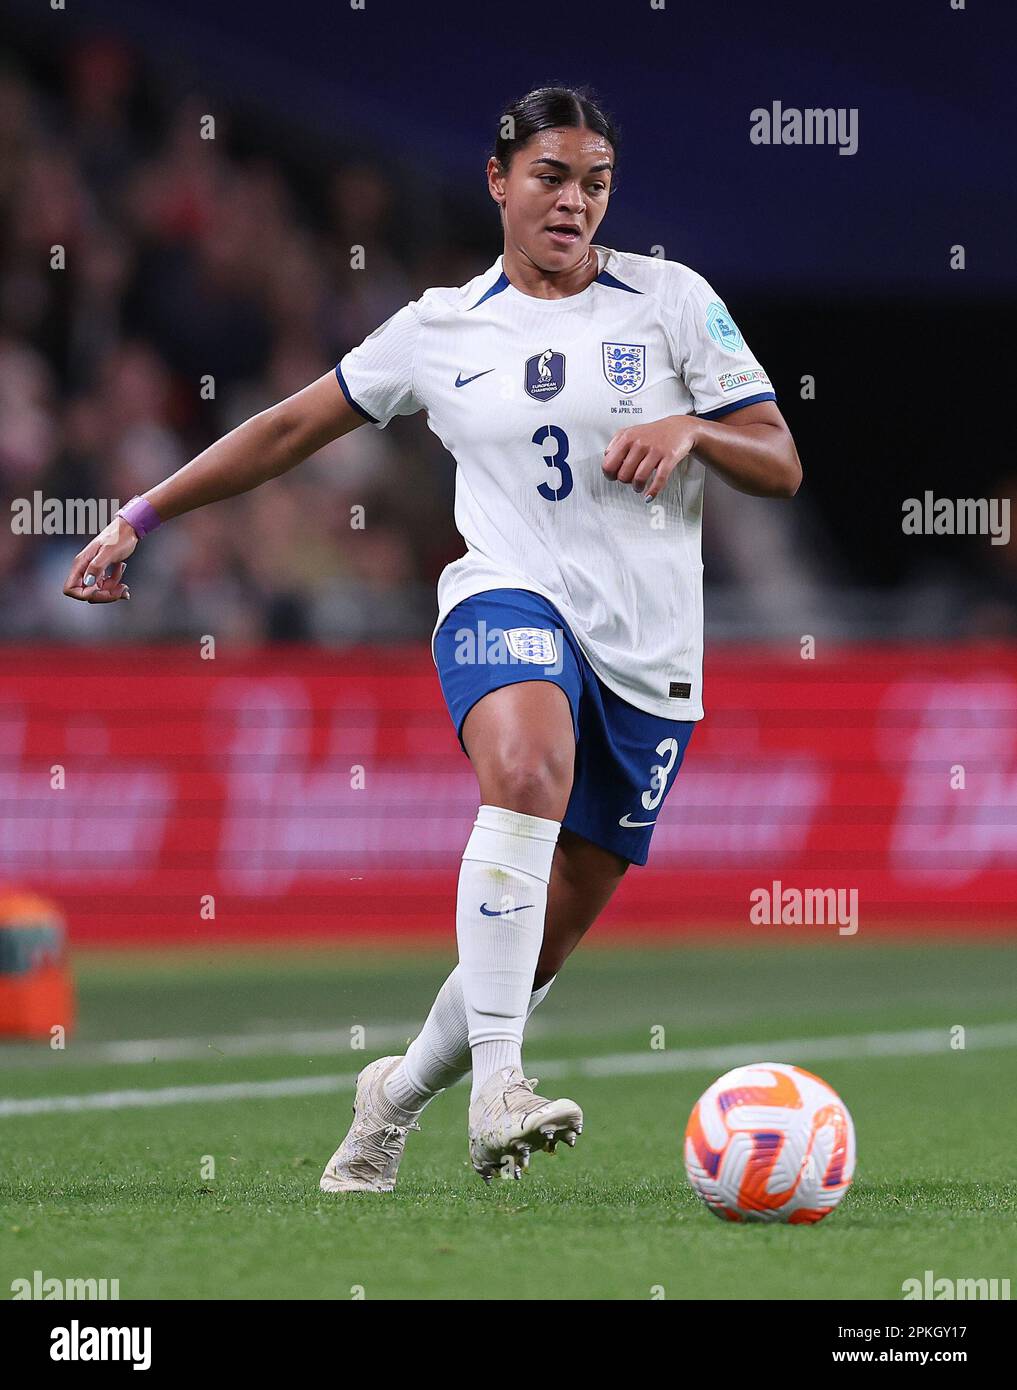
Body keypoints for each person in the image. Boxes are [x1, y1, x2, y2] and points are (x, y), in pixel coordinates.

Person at [64, 85, 802, 1191]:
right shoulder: (439, 327)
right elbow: (287, 425)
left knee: (537, 944)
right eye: (552, 176)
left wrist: (691, 426)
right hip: (504, 600)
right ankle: (501, 1085)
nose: (574, 202)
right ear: (500, 181)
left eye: (595, 183)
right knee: (526, 770)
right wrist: (139, 515)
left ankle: (395, 1095)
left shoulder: (672, 303)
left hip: (650, 659)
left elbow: (779, 460)